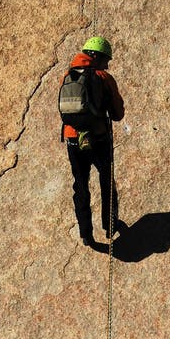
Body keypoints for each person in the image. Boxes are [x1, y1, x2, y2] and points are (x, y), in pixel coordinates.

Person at [60, 36, 125, 246]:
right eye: (105, 59)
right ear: (96, 57)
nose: (107, 64)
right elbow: (117, 114)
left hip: (73, 138)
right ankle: (110, 226)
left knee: (80, 185)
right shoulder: (103, 77)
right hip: (98, 138)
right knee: (106, 180)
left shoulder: (67, 76)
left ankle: (85, 234)